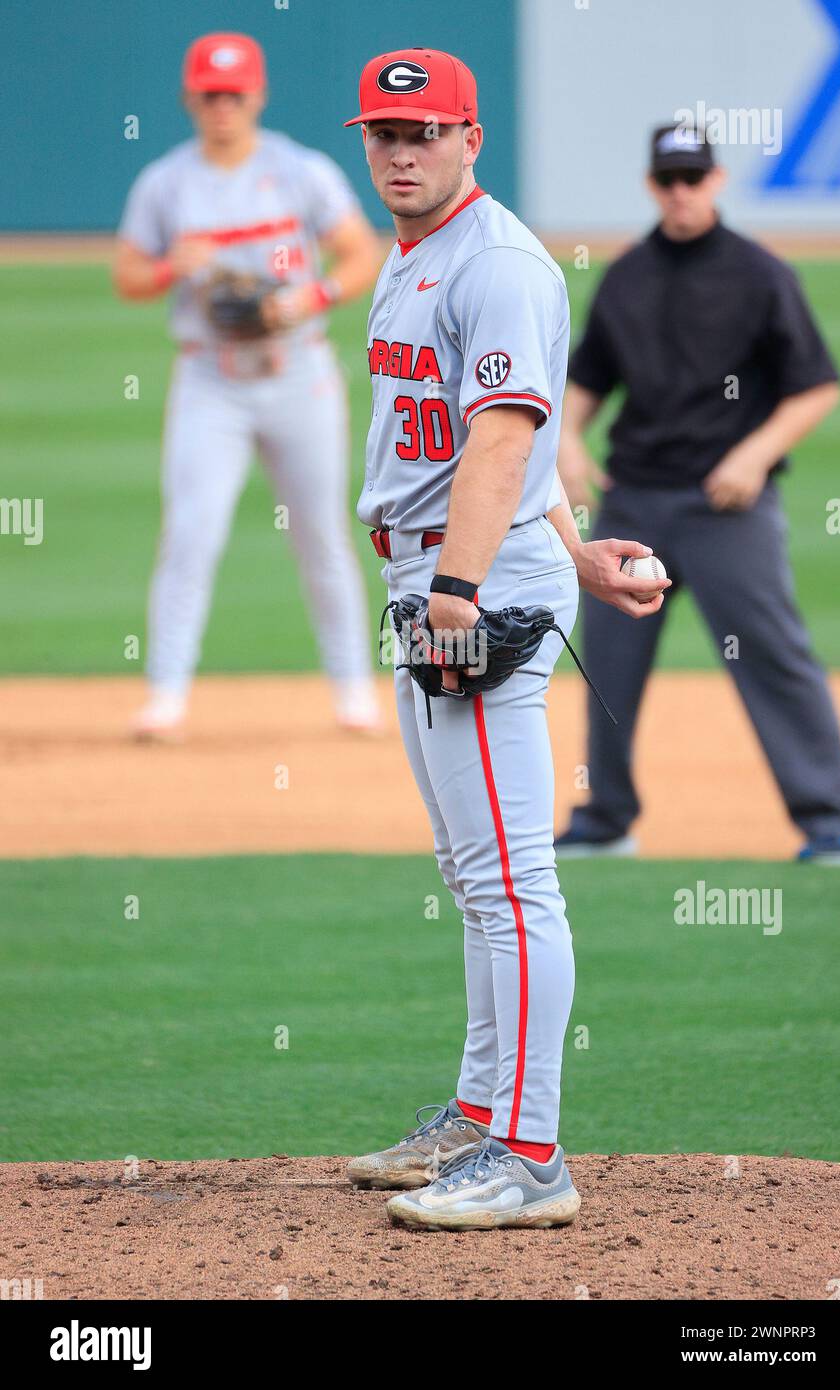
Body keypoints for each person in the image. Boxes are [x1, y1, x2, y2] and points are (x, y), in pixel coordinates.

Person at [341, 48, 668, 1231]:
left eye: (424, 131)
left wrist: (462, 590)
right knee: (471, 878)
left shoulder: (499, 265)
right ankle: (482, 1115)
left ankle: (529, 1159)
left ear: (471, 137)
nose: (401, 151)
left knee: (513, 883)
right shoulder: (417, 249)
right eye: (383, 131)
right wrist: (579, 552)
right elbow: (505, 451)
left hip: (464, 585)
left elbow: (499, 442)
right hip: (448, 570)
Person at [555, 124, 840, 867]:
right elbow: (587, 380)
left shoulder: (760, 274)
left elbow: (815, 386)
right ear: (651, 184)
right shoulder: (627, 275)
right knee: (610, 662)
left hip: (728, 508)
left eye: (694, 177)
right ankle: (607, 816)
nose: (682, 192)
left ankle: (833, 821)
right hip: (635, 502)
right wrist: (567, 440)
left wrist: (755, 456)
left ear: (717, 180)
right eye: (669, 179)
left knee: (770, 652)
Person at [113, 32, 383, 738]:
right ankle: (166, 696)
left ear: (257, 95)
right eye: (209, 92)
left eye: (233, 92)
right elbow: (127, 277)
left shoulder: (301, 170)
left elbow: (361, 252)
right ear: (189, 98)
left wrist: (304, 299)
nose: (222, 105)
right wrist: (174, 265)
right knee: (190, 534)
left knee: (322, 533)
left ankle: (354, 692)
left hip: (298, 371)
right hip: (210, 378)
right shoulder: (167, 183)